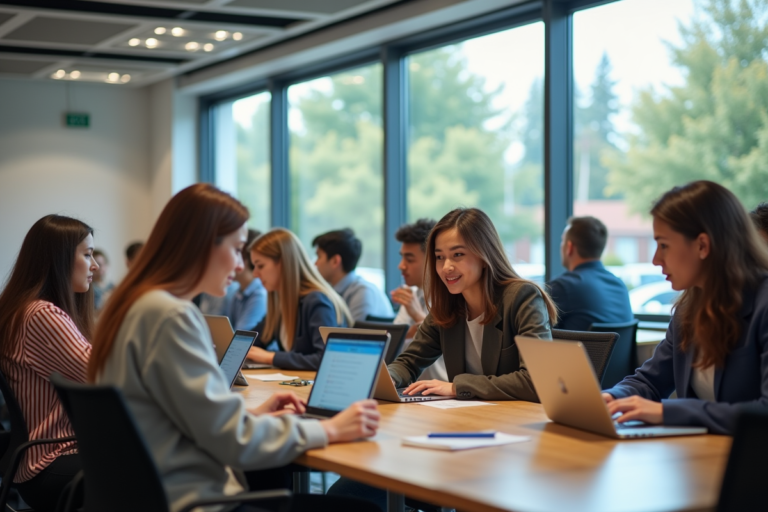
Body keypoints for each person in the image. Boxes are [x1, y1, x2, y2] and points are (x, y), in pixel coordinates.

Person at [88, 184, 380, 512]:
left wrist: (248, 414)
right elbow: (234, 442)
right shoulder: (171, 315)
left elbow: (179, 419)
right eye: (238, 249)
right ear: (202, 245)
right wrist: (329, 428)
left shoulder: (133, 306)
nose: (241, 266)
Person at [602, 181, 768, 435]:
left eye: (664, 245)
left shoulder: (763, 304)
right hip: (701, 458)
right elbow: (649, 380)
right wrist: (612, 397)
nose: (656, 259)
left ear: (702, 245)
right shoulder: (688, 310)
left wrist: (666, 412)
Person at [388, 207, 557, 401]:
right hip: (467, 418)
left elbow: (537, 380)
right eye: (439, 257)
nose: (446, 267)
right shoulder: (447, 306)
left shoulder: (522, 298)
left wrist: (456, 387)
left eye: (458, 255)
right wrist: (389, 378)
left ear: (484, 257)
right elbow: (408, 362)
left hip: (516, 421)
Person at [0, 215, 98, 511]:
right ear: (59, 259)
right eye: (88, 254)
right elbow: (104, 377)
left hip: (43, 458)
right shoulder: (42, 315)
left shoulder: (26, 309)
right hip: (53, 458)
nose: (95, 265)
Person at [247, 228, 353, 370]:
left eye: (260, 266)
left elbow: (327, 358)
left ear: (283, 263)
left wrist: (270, 357)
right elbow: (254, 342)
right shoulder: (281, 301)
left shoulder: (316, 301)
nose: (255, 274)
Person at [546, 216, 633, 331]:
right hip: (619, 350)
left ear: (569, 247)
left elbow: (533, 331)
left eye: (563, 241)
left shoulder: (562, 287)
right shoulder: (619, 285)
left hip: (580, 350)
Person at [390, 218, 447, 381]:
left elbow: (443, 345)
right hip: (413, 388)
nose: (401, 265)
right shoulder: (412, 295)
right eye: (402, 258)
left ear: (432, 259)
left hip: (444, 388)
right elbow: (394, 347)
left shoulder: (451, 298)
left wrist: (417, 316)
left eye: (409, 259)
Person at [312, 228, 394, 322]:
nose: (315, 263)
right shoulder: (333, 290)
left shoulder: (363, 293)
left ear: (335, 261)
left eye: (319, 256)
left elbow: (354, 335)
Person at [197, 229, 267, 330]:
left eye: (238, 251)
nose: (239, 265)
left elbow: (242, 340)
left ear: (246, 259)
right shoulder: (237, 293)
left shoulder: (259, 294)